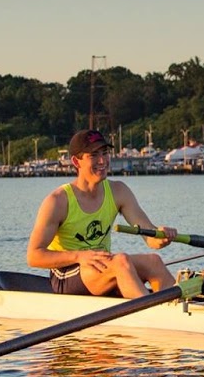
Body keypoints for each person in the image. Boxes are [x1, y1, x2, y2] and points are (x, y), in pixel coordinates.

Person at [27, 128, 178, 298]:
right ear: (77, 162)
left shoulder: (119, 191)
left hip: (103, 266)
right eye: (93, 155)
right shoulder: (57, 201)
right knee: (120, 261)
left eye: (105, 153)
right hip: (66, 275)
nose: (102, 161)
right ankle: (149, 310)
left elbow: (150, 238)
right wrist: (79, 256)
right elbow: (34, 256)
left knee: (154, 262)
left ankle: (175, 310)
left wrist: (161, 236)